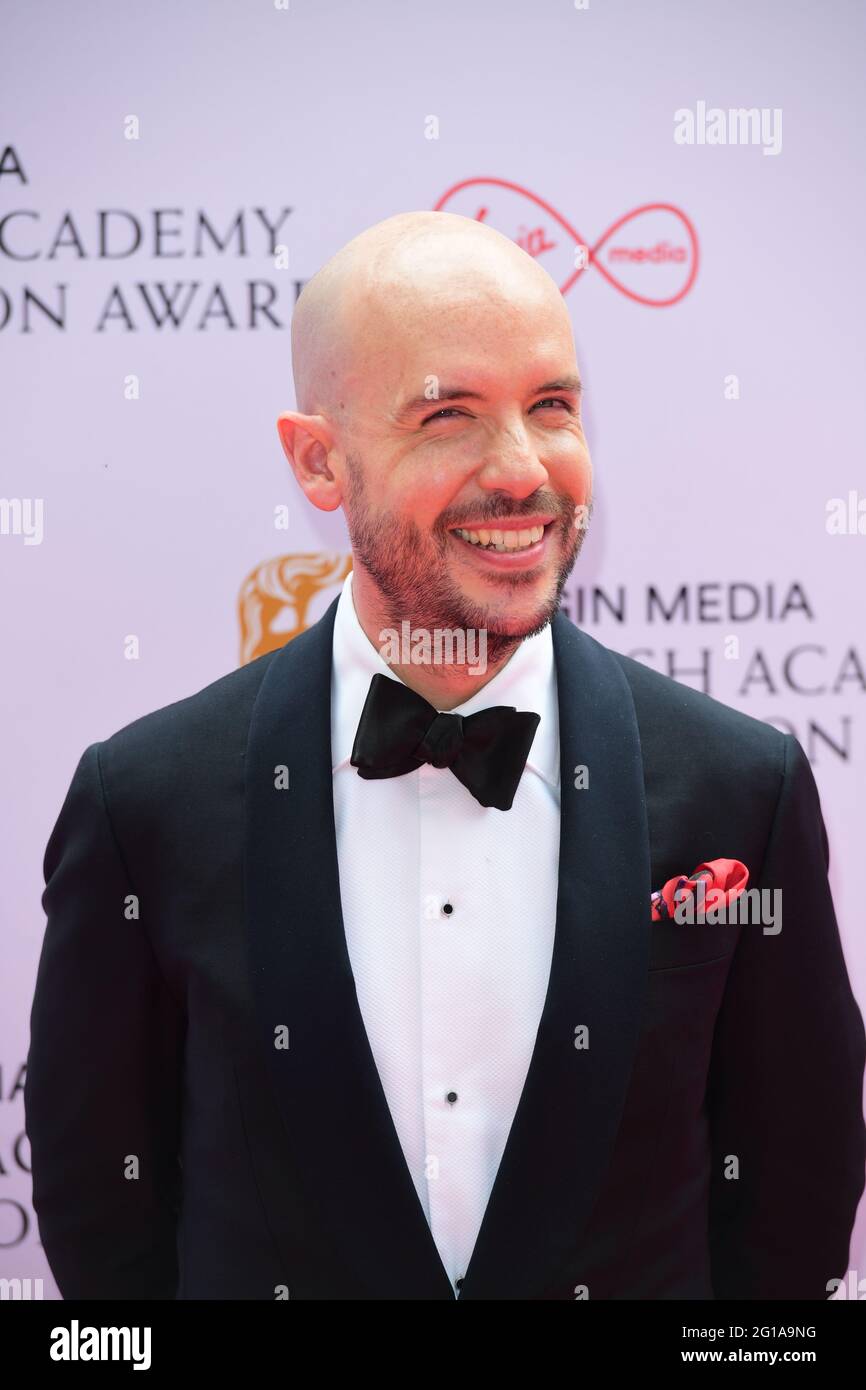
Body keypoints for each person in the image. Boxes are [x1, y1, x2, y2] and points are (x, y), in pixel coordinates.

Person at [24, 210, 866, 1300]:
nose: (522, 473)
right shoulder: (142, 803)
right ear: (318, 461)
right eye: (447, 415)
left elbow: (793, 1198)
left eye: (551, 406)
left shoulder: (738, 791)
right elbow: (105, 1215)